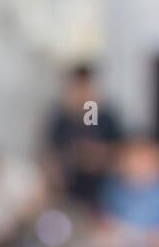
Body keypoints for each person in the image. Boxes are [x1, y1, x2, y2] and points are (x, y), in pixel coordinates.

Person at [44, 63, 125, 204]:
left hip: (103, 189)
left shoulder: (104, 117)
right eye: (78, 88)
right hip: (69, 189)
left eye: (86, 87)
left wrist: (98, 154)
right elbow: (51, 154)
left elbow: (120, 152)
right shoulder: (62, 118)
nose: (82, 93)